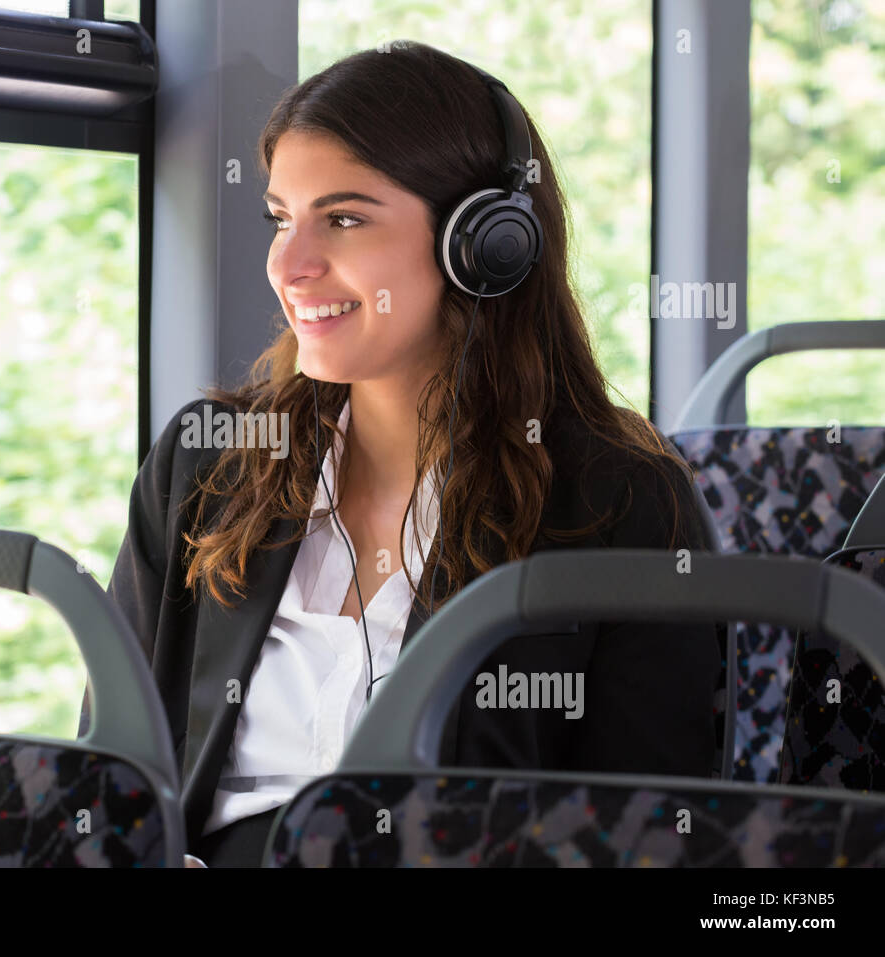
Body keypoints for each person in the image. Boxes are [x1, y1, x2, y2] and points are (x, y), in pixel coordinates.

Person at [79, 42, 720, 867]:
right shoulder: (208, 464)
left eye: (343, 218)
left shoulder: (621, 501)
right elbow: (105, 782)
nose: (290, 264)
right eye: (281, 217)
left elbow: (652, 838)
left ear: (486, 245)